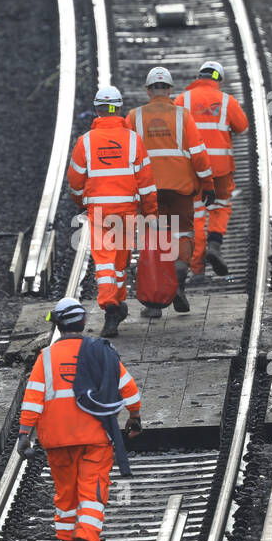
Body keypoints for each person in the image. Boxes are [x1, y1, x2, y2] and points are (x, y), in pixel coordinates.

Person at [17, 298, 142, 541]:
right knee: (92, 491)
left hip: (57, 439)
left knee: (65, 493)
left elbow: (32, 399)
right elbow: (128, 388)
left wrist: (25, 433)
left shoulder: (45, 358)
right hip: (95, 436)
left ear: (59, 326)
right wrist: (134, 416)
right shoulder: (100, 351)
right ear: (84, 323)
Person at [67, 85, 158, 337]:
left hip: (100, 211)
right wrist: (150, 211)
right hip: (126, 210)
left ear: (97, 110)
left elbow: (74, 181)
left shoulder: (84, 142)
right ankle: (115, 306)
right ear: (118, 109)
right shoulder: (133, 140)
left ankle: (111, 305)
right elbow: (147, 182)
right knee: (119, 261)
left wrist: (81, 202)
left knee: (105, 261)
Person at [127, 66, 214, 316]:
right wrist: (208, 184)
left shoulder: (134, 117)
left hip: (148, 190)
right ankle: (177, 281)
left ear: (148, 90)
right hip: (180, 188)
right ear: (170, 90)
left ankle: (154, 305)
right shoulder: (182, 115)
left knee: (154, 242)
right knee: (183, 234)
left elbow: (127, 154)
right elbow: (198, 154)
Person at [175, 60, 248, 278]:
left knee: (196, 214)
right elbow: (242, 127)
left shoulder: (182, 100)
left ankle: (197, 269)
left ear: (199, 77)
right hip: (221, 169)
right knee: (220, 206)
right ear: (219, 79)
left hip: (193, 168)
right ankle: (214, 246)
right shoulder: (226, 101)